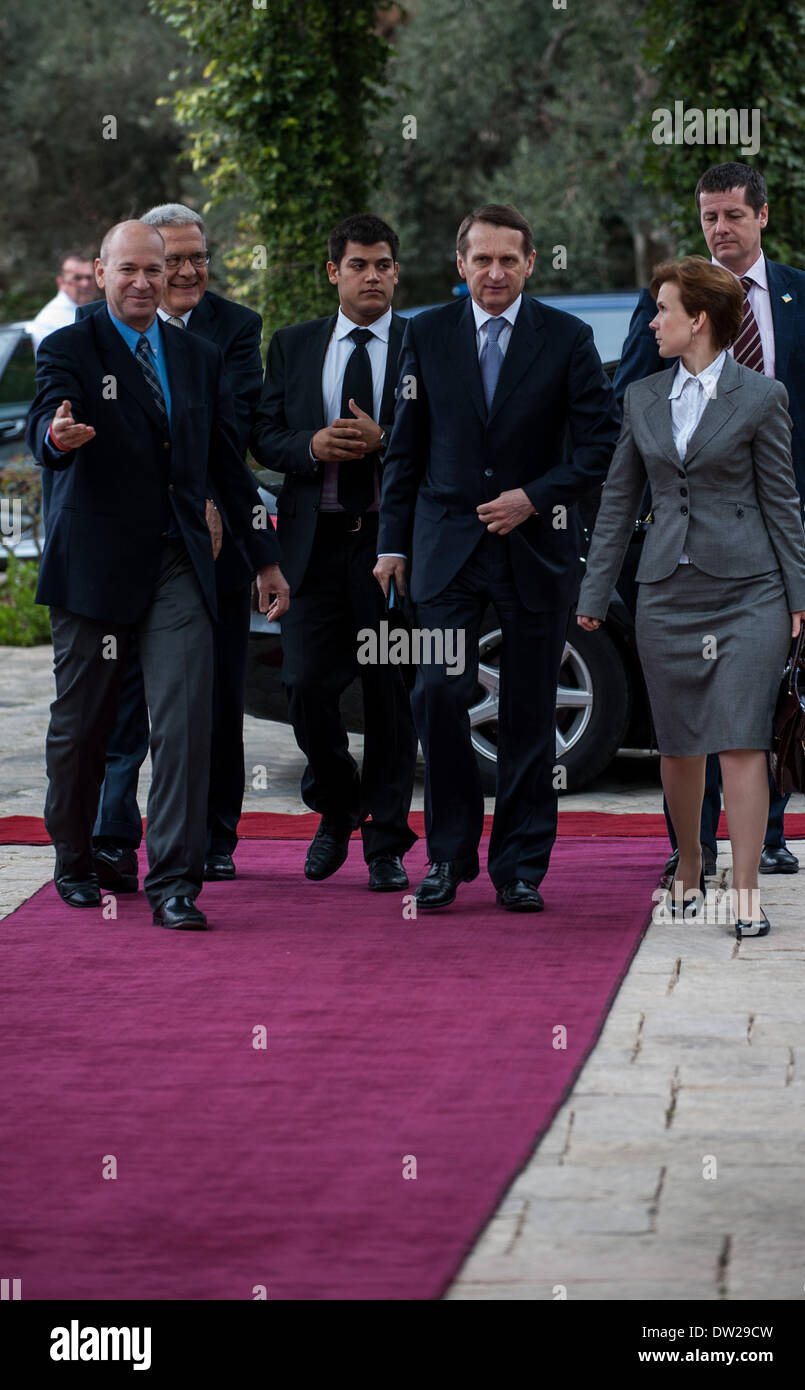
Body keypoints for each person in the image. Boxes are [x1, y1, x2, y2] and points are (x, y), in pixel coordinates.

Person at [27, 220, 288, 931]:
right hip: (95, 570)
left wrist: (263, 556)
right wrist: (55, 437)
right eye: (130, 270)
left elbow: (226, 465)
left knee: (184, 720)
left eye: (156, 268)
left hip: (179, 561)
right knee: (81, 727)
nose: (144, 281)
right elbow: (44, 422)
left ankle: (176, 878)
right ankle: (75, 858)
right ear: (103, 273)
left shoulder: (197, 356)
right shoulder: (70, 347)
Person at [375, 203, 620, 912]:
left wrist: (533, 498)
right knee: (437, 692)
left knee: (526, 712)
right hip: (445, 548)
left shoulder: (567, 339)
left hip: (534, 548)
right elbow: (405, 446)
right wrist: (392, 540)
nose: (494, 271)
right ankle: (448, 857)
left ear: (529, 263)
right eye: (481, 259)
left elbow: (598, 446)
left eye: (508, 259)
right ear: (460, 265)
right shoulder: (424, 335)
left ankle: (518, 867)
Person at [578, 257, 805, 938]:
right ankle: (688, 864)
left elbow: (780, 502)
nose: (651, 321)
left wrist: (801, 595)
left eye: (662, 310)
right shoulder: (640, 398)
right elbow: (619, 499)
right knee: (679, 747)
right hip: (664, 596)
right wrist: (594, 590)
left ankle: (743, 892)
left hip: (748, 594)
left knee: (740, 742)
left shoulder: (761, 397)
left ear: (698, 321)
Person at [614, 162, 805, 877]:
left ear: (761, 217)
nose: (719, 228)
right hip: (688, 548)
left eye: (732, 214)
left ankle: (764, 837)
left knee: (770, 695)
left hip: (795, 526)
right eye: (708, 216)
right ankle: (693, 849)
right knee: (689, 715)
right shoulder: (672, 305)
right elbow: (631, 407)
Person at [77, 203, 266, 891]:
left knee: (205, 704)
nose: (181, 272)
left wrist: (225, 515)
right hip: (121, 554)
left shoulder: (230, 334)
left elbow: (230, 438)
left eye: (192, 259)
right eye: (165, 260)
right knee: (122, 705)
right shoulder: (88, 336)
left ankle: (207, 844)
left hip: (206, 548)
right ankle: (113, 840)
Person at [250, 214, 417, 891]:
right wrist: (311, 447)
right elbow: (264, 433)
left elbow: (451, 437)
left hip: (389, 549)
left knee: (389, 696)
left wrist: (388, 440)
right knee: (305, 684)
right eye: (357, 265)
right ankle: (336, 802)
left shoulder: (420, 344)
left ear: (396, 272)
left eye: (381, 264)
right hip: (311, 549)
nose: (371, 275)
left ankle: (383, 842)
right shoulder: (291, 346)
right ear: (333, 272)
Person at [30, 253, 97, 352]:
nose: (85, 284)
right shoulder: (50, 320)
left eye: (89, 277)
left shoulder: (98, 310)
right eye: (77, 278)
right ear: (61, 283)